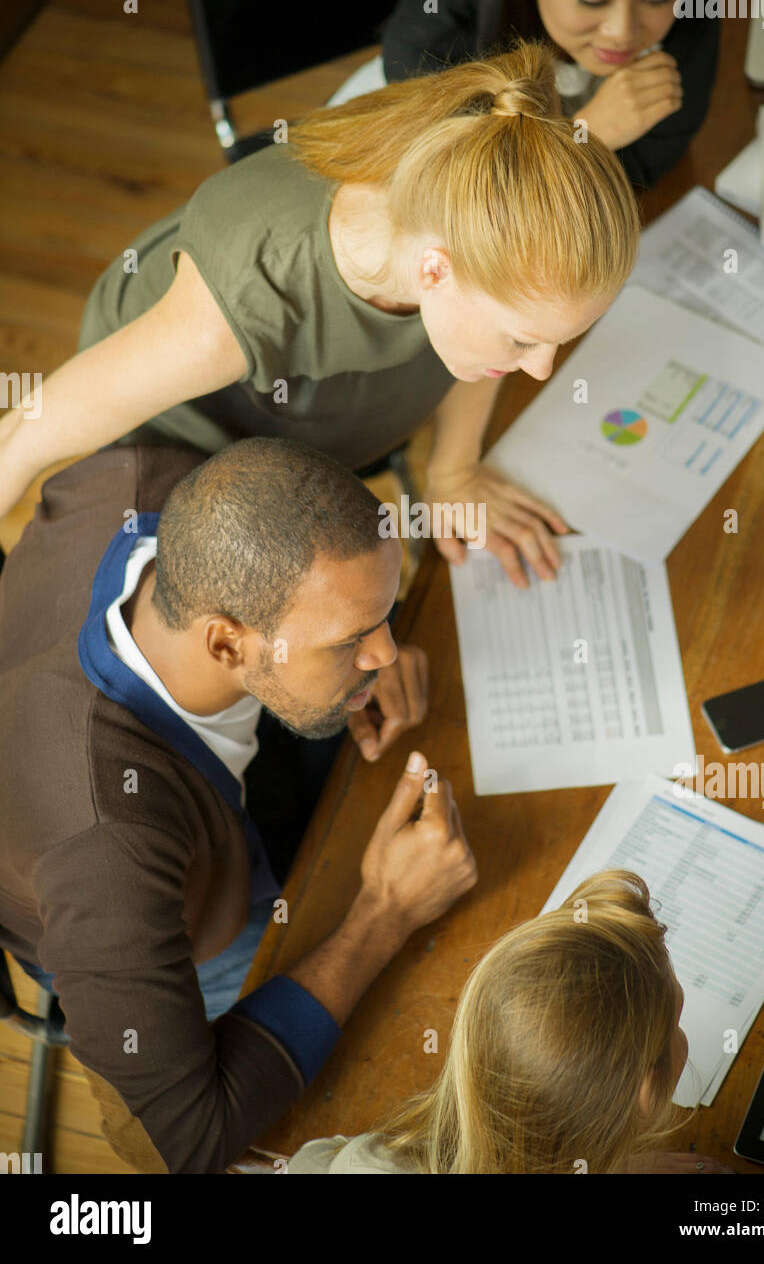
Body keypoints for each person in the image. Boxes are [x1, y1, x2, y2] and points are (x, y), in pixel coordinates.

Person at [0, 437, 476, 1174]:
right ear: (225, 644)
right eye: (353, 640)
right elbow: (191, 1136)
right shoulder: (106, 846)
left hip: (224, 797)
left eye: (382, 618)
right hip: (171, 920)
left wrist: (359, 656)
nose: (387, 654)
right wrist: (384, 913)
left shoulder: (150, 472)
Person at [0, 41, 639, 590]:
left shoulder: (472, 197)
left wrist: (454, 469)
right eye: (524, 340)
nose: (539, 368)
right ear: (434, 271)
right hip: (192, 434)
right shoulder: (250, 297)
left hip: (318, 416)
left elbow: (484, 353)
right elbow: (32, 429)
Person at [283, 869, 734, 1174]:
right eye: (676, 1018)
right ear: (644, 1092)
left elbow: (309, 1161)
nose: (682, 1030)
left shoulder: (371, 1161)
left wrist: (606, 1157)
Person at [335, 0, 719, 192]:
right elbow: (465, 197)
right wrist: (585, 136)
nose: (622, 32)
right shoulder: (431, 33)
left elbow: (653, 158)